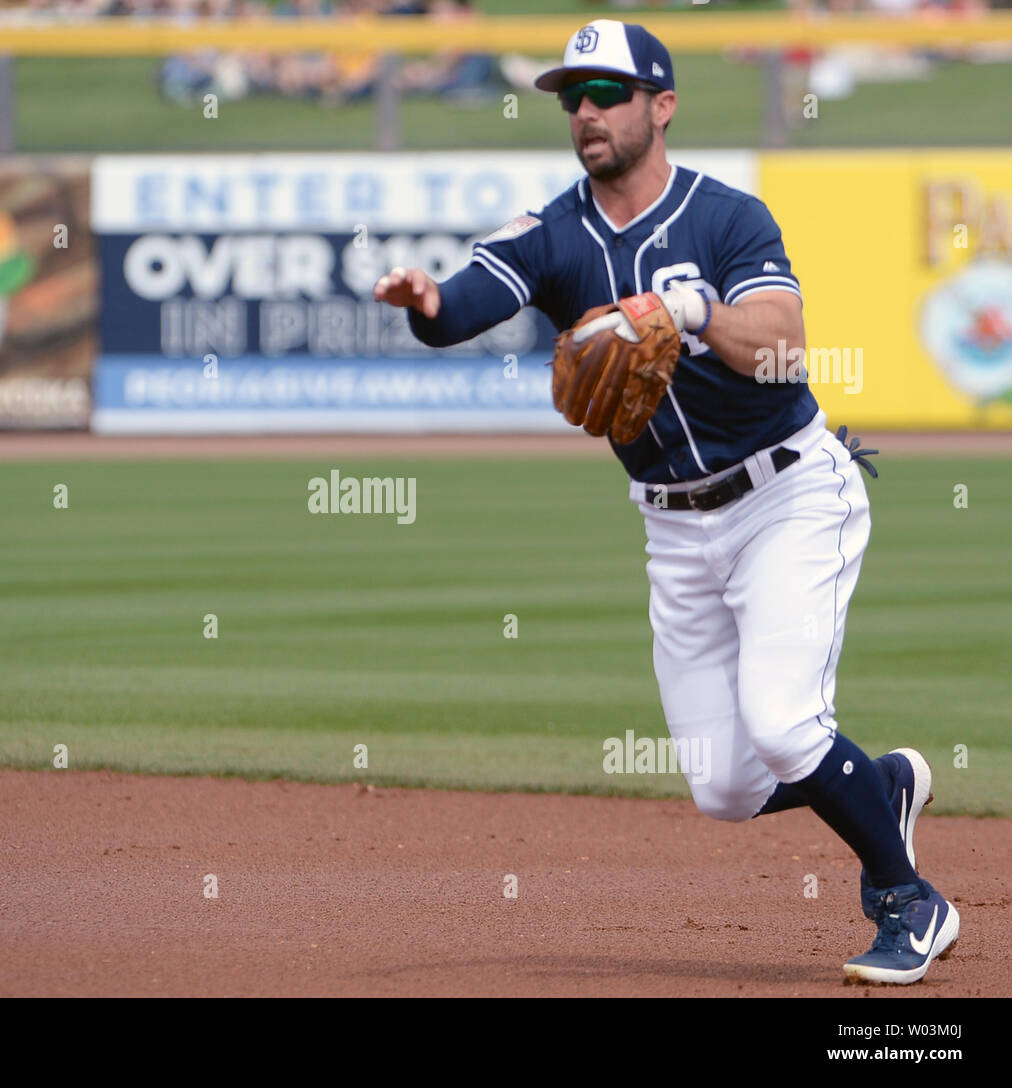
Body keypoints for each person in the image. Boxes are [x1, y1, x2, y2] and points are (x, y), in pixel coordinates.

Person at [372, 18, 959, 985]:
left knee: (782, 724)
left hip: (788, 494)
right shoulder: (558, 233)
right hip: (675, 525)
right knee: (726, 787)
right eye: (573, 97)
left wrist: (688, 310)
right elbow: (472, 297)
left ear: (663, 104)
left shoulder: (726, 218)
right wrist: (428, 302)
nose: (588, 112)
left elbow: (783, 347)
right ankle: (882, 784)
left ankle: (909, 902)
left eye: (608, 92)